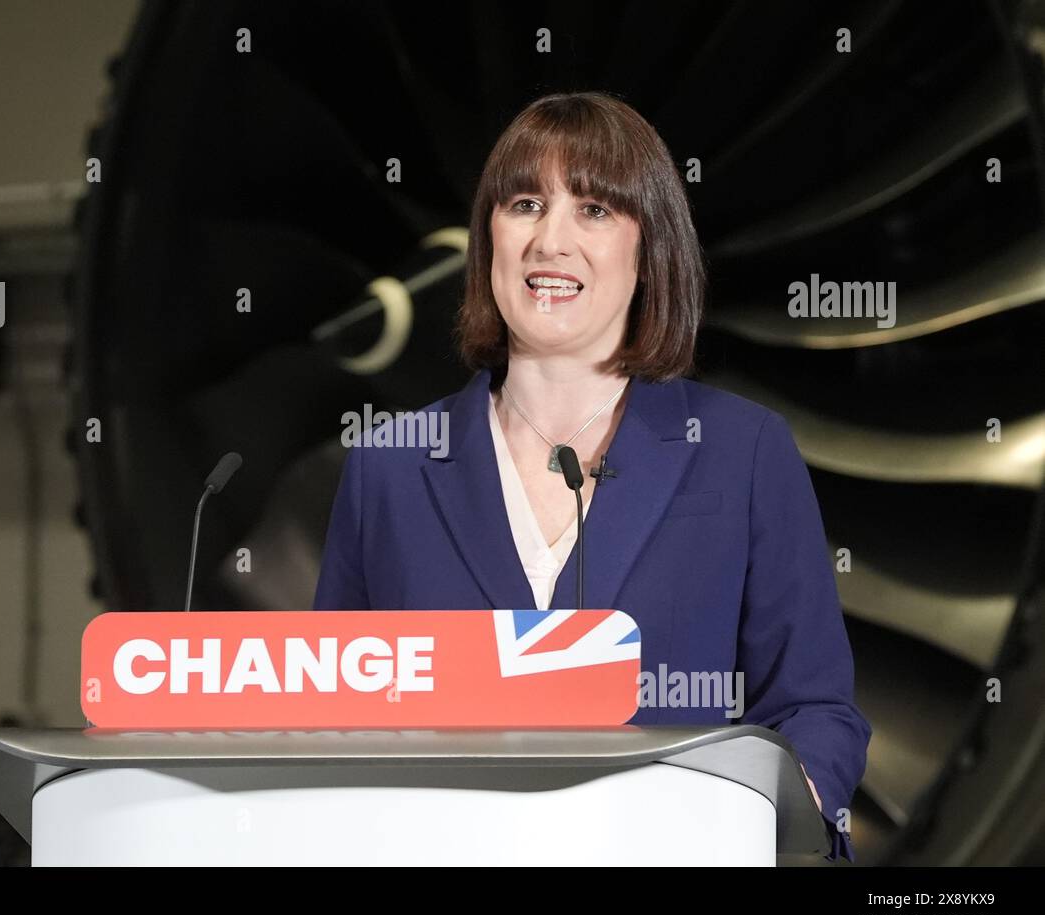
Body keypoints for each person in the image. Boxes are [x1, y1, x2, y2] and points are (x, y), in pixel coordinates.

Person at [313, 91, 870, 862]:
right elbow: (327, 725)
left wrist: (779, 814)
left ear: (650, 250)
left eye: (596, 211)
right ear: (488, 239)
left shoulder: (743, 453)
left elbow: (814, 708)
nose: (552, 239)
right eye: (526, 203)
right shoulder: (388, 467)